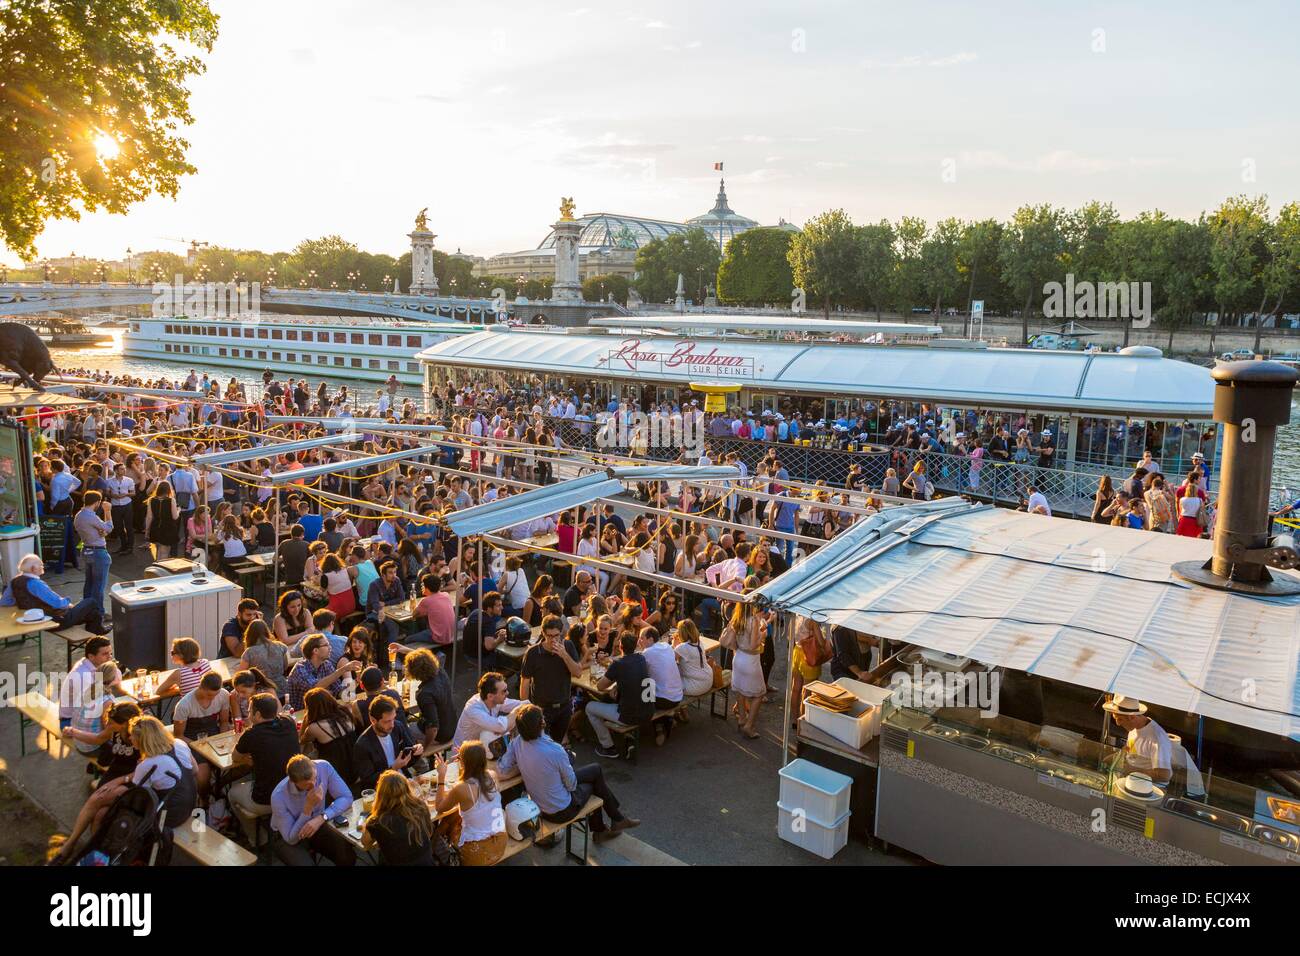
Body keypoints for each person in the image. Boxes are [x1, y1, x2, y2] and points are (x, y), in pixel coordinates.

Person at [497, 703, 639, 843]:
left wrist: (524, 766)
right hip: (561, 811)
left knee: (595, 771)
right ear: (542, 724)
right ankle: (611, 823)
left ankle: (613, 822)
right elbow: (571, 786)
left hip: (539, 806)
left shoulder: (516, 743)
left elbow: (501, 769)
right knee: (596, 782)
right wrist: (567, 761)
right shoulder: (555, 750)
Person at [229, 692, 302, 843]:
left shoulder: (252, 734)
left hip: (266, 800)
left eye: (249, 711)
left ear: (257, 714)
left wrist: (249, 758)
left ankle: (256, 838)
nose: (248, 715)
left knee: (232, 793)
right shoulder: (288, 722)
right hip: (294, 792)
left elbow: (235, 757)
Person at [1103, 695, 1205, 798]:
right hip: (1131, 782)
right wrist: (1118, 756)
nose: (1117, 723)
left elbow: (1164, 775)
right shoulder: (1134, 728)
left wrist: (1131, 769)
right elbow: (1132, 750)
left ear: (1132, 717)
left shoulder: (1157, 738)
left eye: (1119, 719)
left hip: (1148, 791)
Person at [269, 754, 357, 866]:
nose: (314, 785)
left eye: (315, 778)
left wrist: (323, 817)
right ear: (293, 781)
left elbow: (346, 797)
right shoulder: (278, 796)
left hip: (316, 824)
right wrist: (308, 807)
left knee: (346, 854)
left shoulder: (323, 767)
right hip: (287, 836)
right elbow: (291, 839)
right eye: (307, 785)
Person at [430, 741, 505, 865]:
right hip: (500, 843)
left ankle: (436, 852)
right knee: (456, 816)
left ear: (464, 763)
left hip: (477, 854)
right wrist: (467, 756)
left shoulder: (462, 789)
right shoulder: (492, 776)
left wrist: (441, 776)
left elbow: (439, 807)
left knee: (447, 821)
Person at [3, 553, 111, 635]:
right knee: (91, 601)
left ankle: (95, 629)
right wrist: (68, 603)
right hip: (54, 620)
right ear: (33, 569)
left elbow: (5, 602)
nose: (43, 566)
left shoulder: (14, 581)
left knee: (91, 611)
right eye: (40, 565)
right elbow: (58, 604)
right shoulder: (36, 584)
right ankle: (96, 629)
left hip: (32, 618)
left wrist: (23, 602)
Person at [521, 614, 586, 744]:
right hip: (542, 709)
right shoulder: (533, 653)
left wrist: (564, 656)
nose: (553, 640)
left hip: (564, 706)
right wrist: (526, 709)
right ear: (543, 633)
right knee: (540, 745)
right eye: (549, 636)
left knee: (557, 743)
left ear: (561, 633)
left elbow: (578, 673)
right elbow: (525, 683)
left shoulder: (568, 646)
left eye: (556, 635)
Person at [587, 633, 654, 758]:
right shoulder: (641, 658)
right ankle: (627, 738)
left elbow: (600, 687)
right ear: (635, 646)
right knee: (612, 699)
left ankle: (608, 747)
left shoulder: (618, 664)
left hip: (629, 716)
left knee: (589, 707)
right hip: (648, 711)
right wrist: (617, 685)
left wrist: (613, 681)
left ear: (621, 646)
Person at [129, 715, 198, 829]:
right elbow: (195, 770)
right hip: (190, 806)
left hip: (168, 817)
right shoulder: (179, 744)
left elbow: (138, 797)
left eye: (132, 735)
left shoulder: (147, 765)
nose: (130, 738)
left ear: (142, 740)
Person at [361, 769, 437, 866]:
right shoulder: (420, 806)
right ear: (406, 788)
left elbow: (365, 843)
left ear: (380, 793)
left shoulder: (377, 821)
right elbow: (429, 832)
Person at [353, 695, 426, 792]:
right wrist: (393, 768)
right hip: (383, 790)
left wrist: (417, 751)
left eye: (393, 719)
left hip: (404, 781)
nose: (392, 724)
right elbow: (368, 781)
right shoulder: (362, 745)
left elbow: (410, 759)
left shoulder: (397, 726)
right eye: (387, 721)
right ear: (373, 720)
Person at [728, 599, 771, 740]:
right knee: (759, 693)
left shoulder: (738, 618)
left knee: (741, 690)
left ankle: (741, 719)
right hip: (750, 660)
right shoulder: (753, 620)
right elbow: (753, 645)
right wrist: (763, 635)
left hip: (738, 657)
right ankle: (749, 726)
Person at [300, 687, 359, 786]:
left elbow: (302, 739)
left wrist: (307, 717)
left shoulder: (315, 727)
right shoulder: (346, 714)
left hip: (335, 771)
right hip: (355, 766)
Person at [287, 634, 362, 710]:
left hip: (321, 710)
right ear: (315, 650)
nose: (330, 648)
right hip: (300, 714)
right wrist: (343, 669)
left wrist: (356, 681)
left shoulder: (326, 664)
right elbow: (315, 688)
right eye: (326, 645)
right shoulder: (300, 669)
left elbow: (339, 691)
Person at [451, 671, 523, 749]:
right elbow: (500, 726)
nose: (508, 693)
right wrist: (516, 712)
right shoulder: (473, 708)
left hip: (484, 746)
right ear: (490, 696)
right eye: (504, 691)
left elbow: (522, 704)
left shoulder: (495, 699)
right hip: (464, 754)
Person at [640, 628, 683, 745]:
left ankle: (658, 728)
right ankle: (670, 717)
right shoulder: (667, 646)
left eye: (642, 638)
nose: (640, 641)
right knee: (653, 684)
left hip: (665, 700)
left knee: (645, 687)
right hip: (678, 696)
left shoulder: (647, 653)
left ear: (650, 639)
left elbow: (641, 673)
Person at [406, 648, 455, 749]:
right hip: (452, 725)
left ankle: (417, 760)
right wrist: (403, 649)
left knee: (403, 730)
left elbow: (433, 728)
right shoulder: (440, 671)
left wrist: (425, 748)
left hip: (441, 735)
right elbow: (422, 658)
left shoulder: (424, 694)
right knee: (412, 718)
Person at [74, 490, 113, 610]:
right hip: (98, 552)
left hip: (86, 549)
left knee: (89, 583)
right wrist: (108, 511)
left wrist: (101, 531)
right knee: (98, 586)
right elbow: (109, 527)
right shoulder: (90, 516)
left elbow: (99, 531)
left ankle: (87, 610)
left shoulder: (79, 515)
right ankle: (98, 613)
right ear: (97, 502)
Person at [366, 559, 406, 675]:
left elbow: (402, 598)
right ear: (383, 575)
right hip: (374, 613)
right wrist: (384, 607)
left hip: (391, 611)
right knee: (393, 626)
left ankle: (406, 652)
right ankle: (392, 659)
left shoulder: (396, 581)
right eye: (390, 573)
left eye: (395, 572)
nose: (394, 575)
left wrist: (387, 604)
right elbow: (375, 605)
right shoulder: (374, 585)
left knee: (409, 622)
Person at [239, 619, 293, 700]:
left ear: (249, 634)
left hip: (262, 692)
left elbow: (242, 673)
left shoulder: (249, 652)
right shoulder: (281, 646)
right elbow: (285, 667)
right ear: (266, 631)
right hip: (282, 688)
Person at [673, 618, 716, 698]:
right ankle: (682, 709)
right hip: (708, 680)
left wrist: (674, 646)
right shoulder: (699, 642)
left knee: (670, 682)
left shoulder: (682, 647)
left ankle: (681, 709)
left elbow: (670, 662)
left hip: (696, 686)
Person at [144, 479, 180, 560]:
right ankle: (159, 570)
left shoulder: (151, 500)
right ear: (168, 490)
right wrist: (179, 510)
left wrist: (147, 531)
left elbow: (149, 517)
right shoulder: (171, 500)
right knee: (164, 553)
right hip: (167, 528)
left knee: (159, 551)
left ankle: (157, 568)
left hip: (155, 527)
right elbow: (175, 517)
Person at [106, 463, 136, 555]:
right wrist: (112, 495)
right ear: (116, 471)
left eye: (124, 469)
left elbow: (133, 493)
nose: (124, 470)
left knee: (129, 526)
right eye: (121, 469)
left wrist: (125, 494)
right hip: (115, 505)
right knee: (118, 526)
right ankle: (123, 545)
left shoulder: (129, 480)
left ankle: (130, 547)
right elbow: (107, 493)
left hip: (127, 504)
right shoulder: (109, 481)